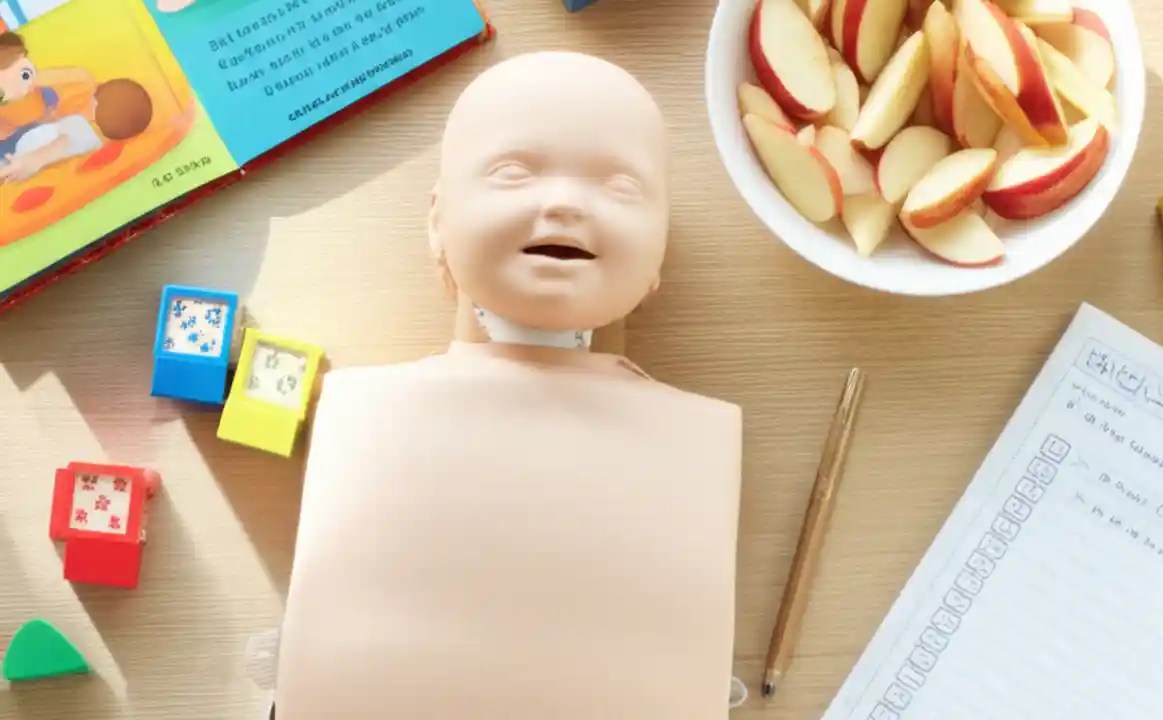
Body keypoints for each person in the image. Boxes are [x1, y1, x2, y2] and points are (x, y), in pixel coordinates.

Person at [270, 51, 744, 719]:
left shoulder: (699, 442)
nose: (564, 204)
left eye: (619, 186)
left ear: (660, 248)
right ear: (436, 219)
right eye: (514, 173)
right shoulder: (362, 416)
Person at [0, 77, 153, 183]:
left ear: (95, 106)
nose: (86, 99)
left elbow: (60, 145)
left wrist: (34, 160)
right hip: (21, 141)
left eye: (94, 94)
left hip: (15, 151)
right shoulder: (90, 136)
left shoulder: (82, 131)